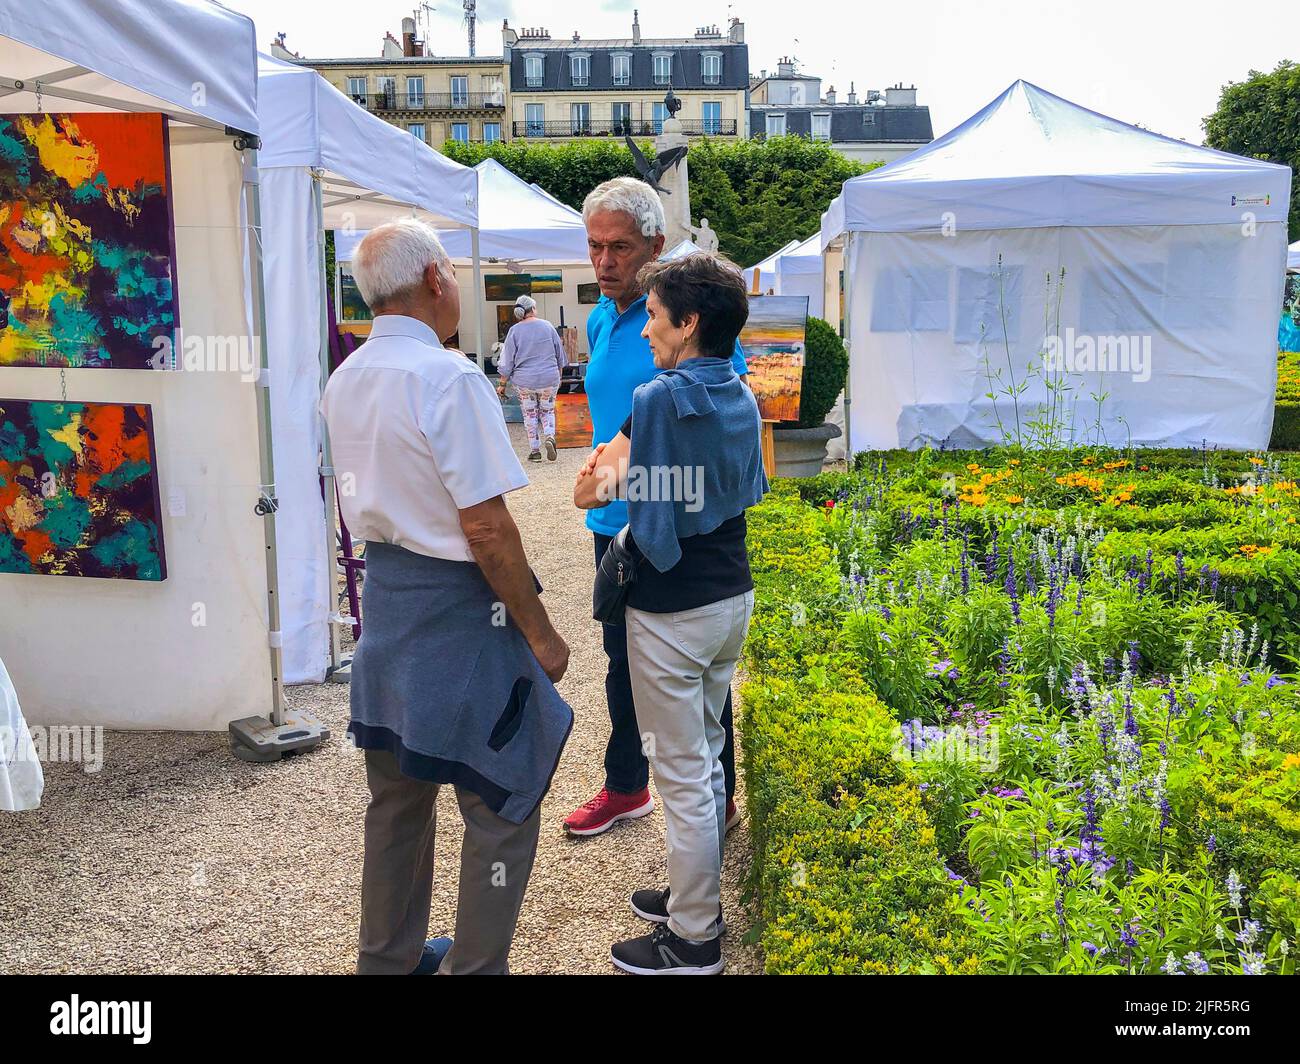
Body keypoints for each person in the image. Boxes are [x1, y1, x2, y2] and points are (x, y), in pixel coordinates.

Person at [320, 219, 573, 976]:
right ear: (435, 278)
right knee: (503, 797)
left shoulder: (345, 378)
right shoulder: (449, 377)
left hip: (389, 602)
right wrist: (543, 634)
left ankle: (386, 960)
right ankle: (476, 967)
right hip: (460, 609)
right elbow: (487, 528)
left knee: (397, 798)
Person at [574, 252, 767, 974]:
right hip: (729, 597)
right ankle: (695, 898)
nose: (648, 329)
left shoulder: (656, 400)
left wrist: (609, 493)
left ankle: (693, 939)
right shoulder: (742, 395)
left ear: (688, 324)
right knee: (707, 760)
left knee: (681, 775)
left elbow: (610, 503)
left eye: (656, 317)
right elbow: (745, 488)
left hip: (671, 609)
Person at [563, 176, 749, 839]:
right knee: (620, 663)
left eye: (618, 247)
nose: (604, 261)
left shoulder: (687, 317)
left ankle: (713, 798)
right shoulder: (600, 318)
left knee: (698, 679)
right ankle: (626, 787)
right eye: (593, 247)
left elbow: (721, 410)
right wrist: (603, 463)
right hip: (610, 520)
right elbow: (608, 416)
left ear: (655, 243)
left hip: (670, 524)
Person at [495, 294, 567, 462]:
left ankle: (535, 451)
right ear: (533, 309)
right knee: (547, 410)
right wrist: (559, 376)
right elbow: (559, 354)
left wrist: (502, 384)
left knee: (530, 414)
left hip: (524, 381)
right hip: (549, 378)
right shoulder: (548, 326)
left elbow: (507, 361)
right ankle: (550, 437)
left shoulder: (514, 331)